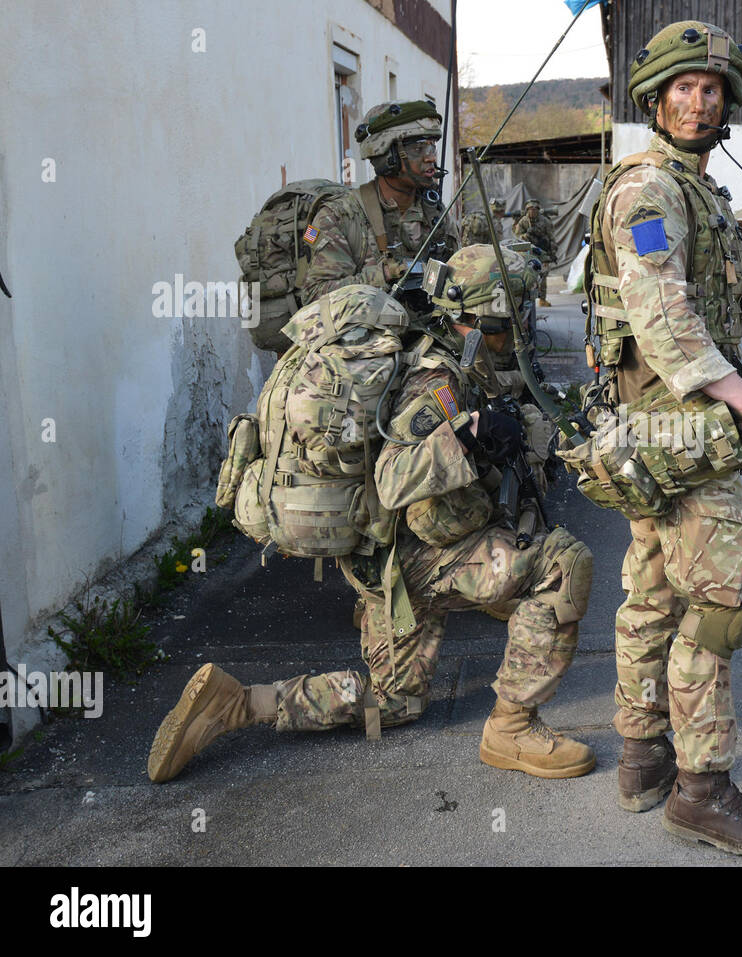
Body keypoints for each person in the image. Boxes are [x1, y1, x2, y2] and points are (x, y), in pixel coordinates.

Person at [148, 248, 595, 783]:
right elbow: (394, 476)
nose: (521, 332)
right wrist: (473, 433)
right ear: (490, 319)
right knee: (563, 563)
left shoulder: (428, 347)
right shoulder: (436, 376)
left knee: (395, 703)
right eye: (515, 320)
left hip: (378, 560)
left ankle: (240, 704)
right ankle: (513, 727)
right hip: (417, 558)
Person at [586, 19, 742, 856]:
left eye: (711, 91)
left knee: (652, 587)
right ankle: (701, 789)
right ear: (656, 99)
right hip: (676, 425)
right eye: (684, 89)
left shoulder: (694, 188)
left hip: (662, 426)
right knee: (717, 601)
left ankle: (641, 756)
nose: (698, 102)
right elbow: (663, 322)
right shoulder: (650, 189)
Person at [302, 101, 459, 305]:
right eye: (418, 148)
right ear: (387, 156)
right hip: (365, 331)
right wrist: (384, 274)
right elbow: (314, 294)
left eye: (432, 147)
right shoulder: (339, 215)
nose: (430, 158)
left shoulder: (433, 209)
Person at [513, 199, 556, 306]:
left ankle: (542, 299)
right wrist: (526, 236)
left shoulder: (544, 221)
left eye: (535, 209)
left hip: (542, 252)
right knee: (528, 275)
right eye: (530, 209)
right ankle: (527, 298)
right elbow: (517, 238)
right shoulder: (523, 221)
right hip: (528, 252)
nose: (533, 211)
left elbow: (551, 238)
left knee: (543, 275)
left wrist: (552, 252)